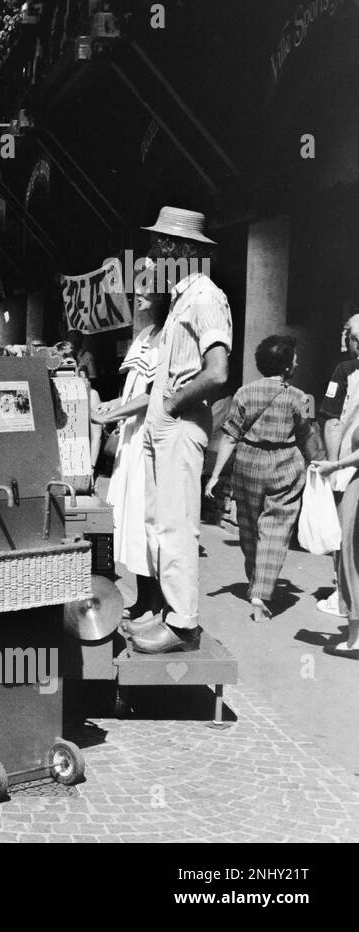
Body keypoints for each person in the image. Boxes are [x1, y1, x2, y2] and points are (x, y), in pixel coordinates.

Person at [126, 206, 231, 654]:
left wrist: (170, 404)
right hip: (164, 425)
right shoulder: (181, 300)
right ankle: (170, 615)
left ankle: (184, 625)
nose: (150, 255)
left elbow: (218, 371)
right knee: (158, 523)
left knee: (177, 525)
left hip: (181, 424)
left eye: (156, 246)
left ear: (176, 250)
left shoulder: (206, 296)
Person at [204, 336, 320, 621]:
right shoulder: (302, 398)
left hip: (248, 463)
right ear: (285, 367)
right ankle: (260, 592)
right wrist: (317, 461)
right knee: (276, 529)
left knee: (248, 526)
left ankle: (255, 580)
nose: (297, 361)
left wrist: (215, 475)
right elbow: (308, 436)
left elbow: (231, 435)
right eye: (294, 358)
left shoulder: (244, 393)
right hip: (285, 465)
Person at [91, 280, 167, 620]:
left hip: (149, 438)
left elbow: (151, 396)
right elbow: (132, 390)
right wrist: (109, 406)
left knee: (146, 519)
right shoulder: (146, 332)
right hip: (130, 438)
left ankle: (156, 603)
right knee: (131, 520)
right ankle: (142, 598)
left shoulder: (168, 336)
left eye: (147, 289)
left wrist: (116, 413)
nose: (139, 295)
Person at [313, 313, 359, 617]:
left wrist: (332, 465)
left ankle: (345, 600)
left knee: (344, 534)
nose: (346, 339)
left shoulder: (345, 370)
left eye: (350, 334)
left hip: (348, 466)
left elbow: (331, 418)